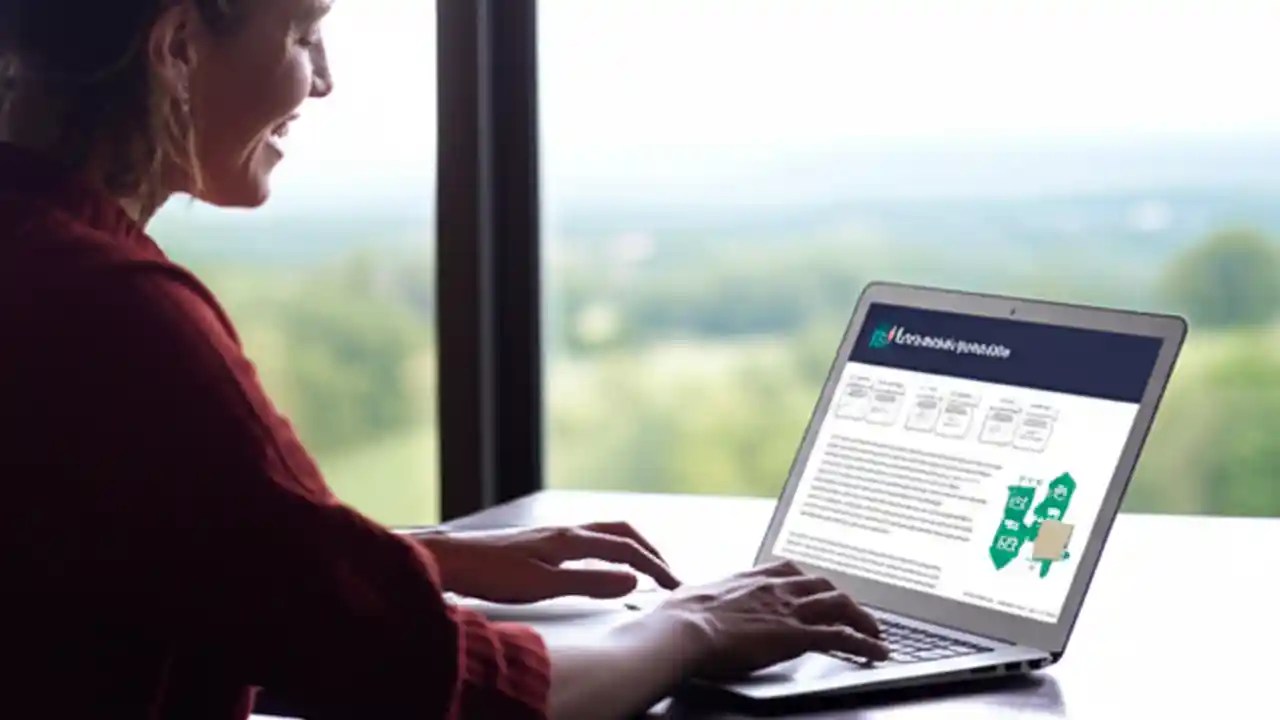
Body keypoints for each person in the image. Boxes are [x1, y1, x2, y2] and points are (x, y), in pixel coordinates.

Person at [0, 1, 888, 718]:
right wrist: (686, 626)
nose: (327, 78)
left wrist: (423, 560)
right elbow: (426, 684)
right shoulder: (113, 308)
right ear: (179, 48)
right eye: (304, 33)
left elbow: (144, 571)